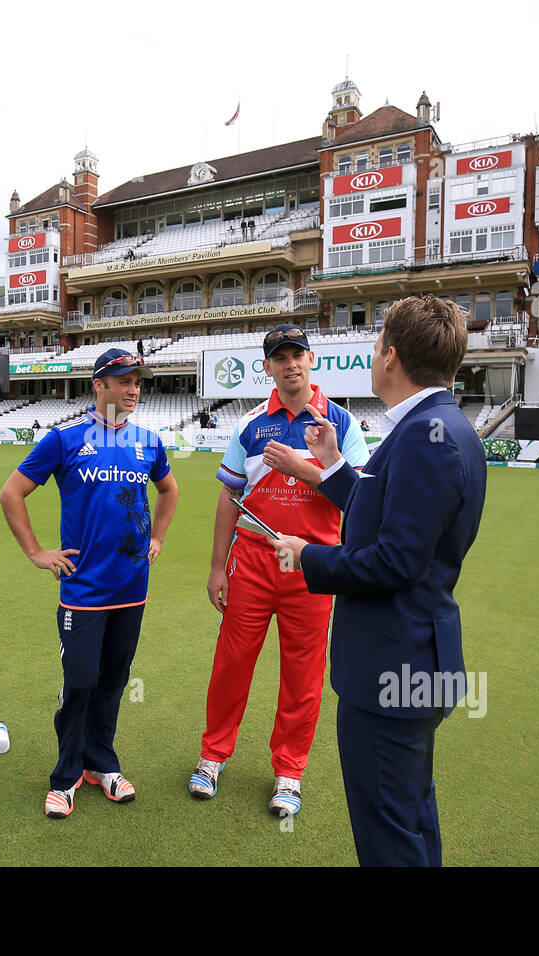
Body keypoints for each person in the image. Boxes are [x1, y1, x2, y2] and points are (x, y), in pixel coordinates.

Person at [271, 295, 486, 866]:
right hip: (412, 662)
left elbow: (396, 561)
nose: (372, 355)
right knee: (409, 817)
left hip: (393, 669)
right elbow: (388, 514)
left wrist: (308, 556)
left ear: (391, 356)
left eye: (375, 344)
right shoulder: (439, 426)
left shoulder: (425, 435)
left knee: (388, 834)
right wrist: (334, 466)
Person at [191, 324, 369, 815]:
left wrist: (301, 468)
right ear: (267, 367)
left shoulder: (341, 423)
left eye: (298, 354)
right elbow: (229, 496)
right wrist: (217, 568)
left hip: (312, 566)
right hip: (252, 560)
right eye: (280, 357)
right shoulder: (250, 424)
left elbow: (359, 499)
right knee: (232, 663)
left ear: (312, 360)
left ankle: (289, 771)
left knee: (303, 673)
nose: (291, 363)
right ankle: (212, 756)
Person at [0, 349, 178, 818]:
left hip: (132, 588)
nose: (133, 389)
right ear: (99, 385)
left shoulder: (148, 441)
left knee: (113, 683)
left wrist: (157, 537)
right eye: (124, 381)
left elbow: (169, 489)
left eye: (137, 381)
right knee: (80, 683)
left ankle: (102, 765)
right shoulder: (65, 439)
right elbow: (11, 492)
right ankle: (66, 776)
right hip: (83, 591)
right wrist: (36, 553)